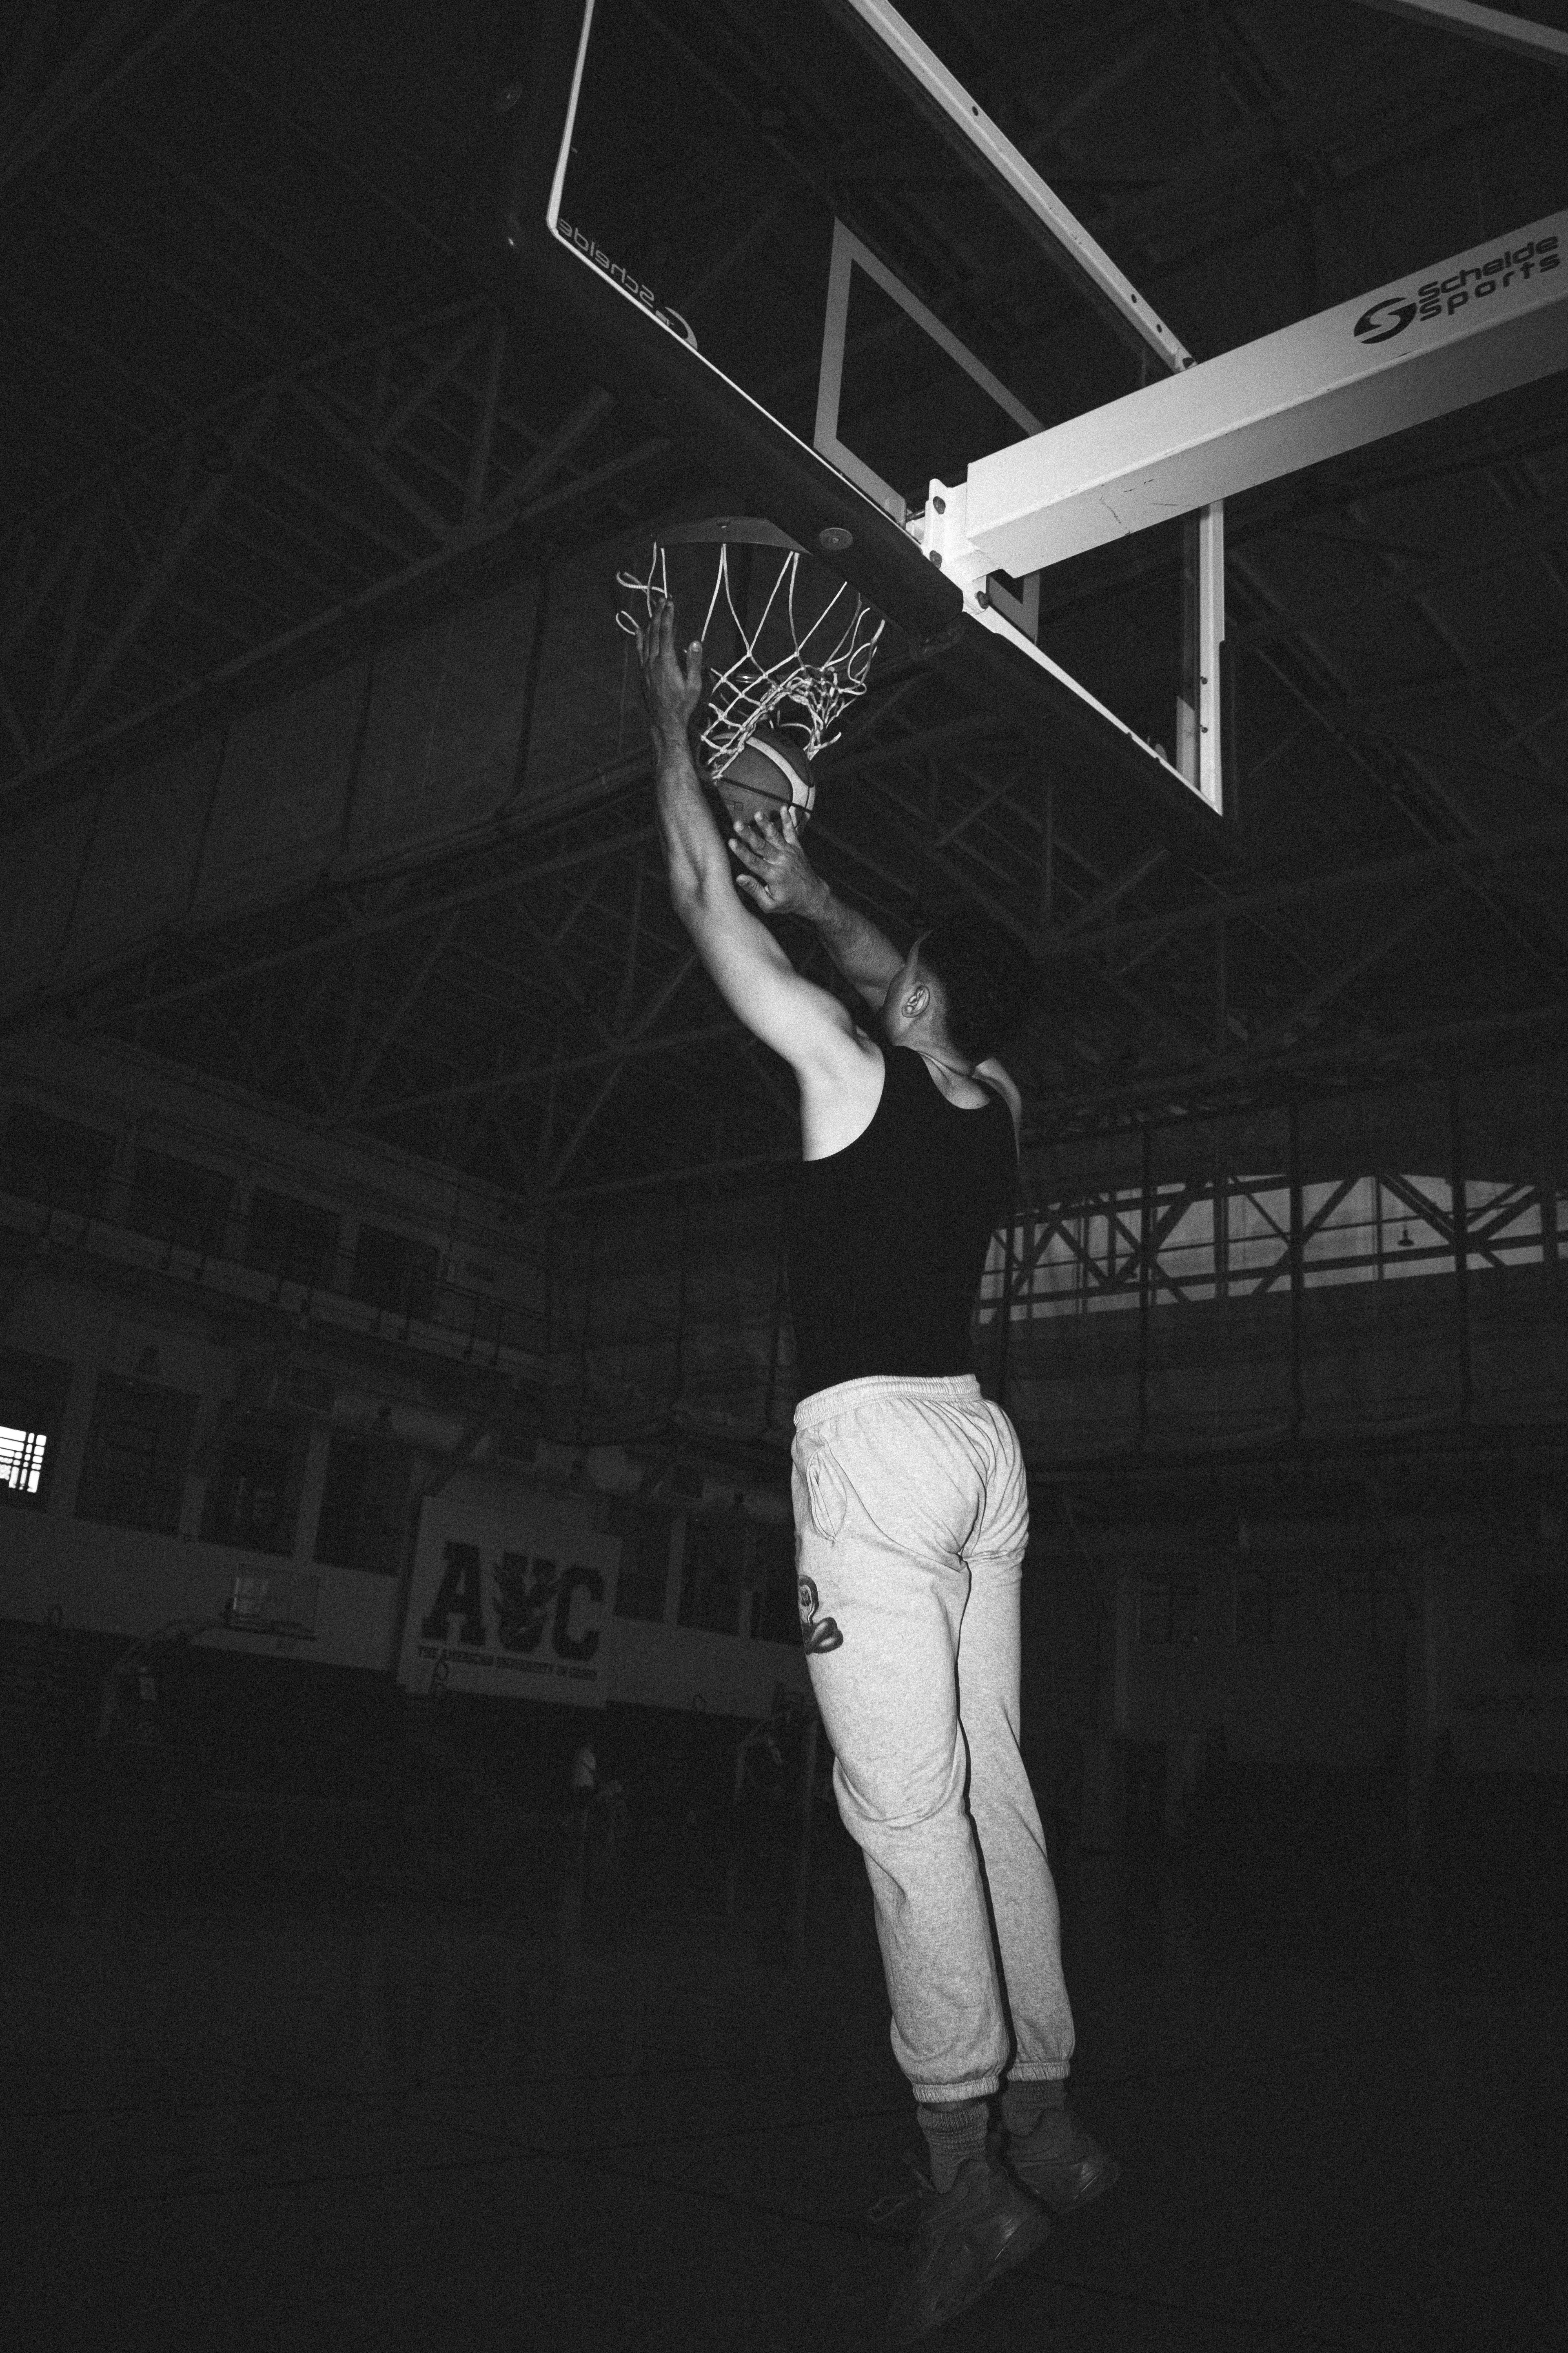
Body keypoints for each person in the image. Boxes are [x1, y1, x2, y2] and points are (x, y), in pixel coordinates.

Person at [641, 602, 1116, 2344]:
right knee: (991, 1785)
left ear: (907, 993)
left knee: (900, 1815)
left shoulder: (847, 1078)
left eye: (898, 963)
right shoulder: (991, 1100)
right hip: (982, 1448)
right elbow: (897, 975)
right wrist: (818, 881)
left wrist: (668, 716)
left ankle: (959, 2176)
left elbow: (701, 905)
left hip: (871, 1451)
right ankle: (1045, 2126)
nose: (880, 971)